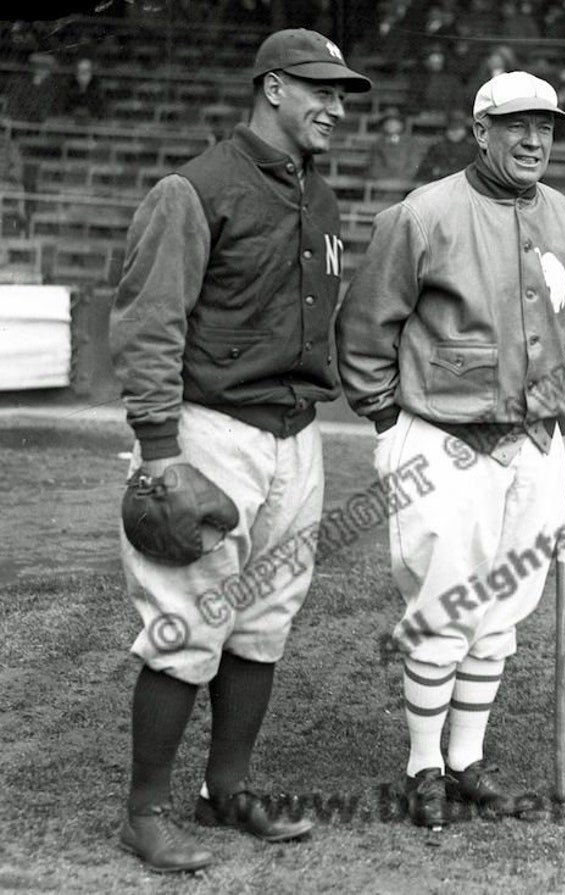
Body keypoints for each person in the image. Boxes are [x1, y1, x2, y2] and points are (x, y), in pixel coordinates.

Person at [109, 28, 370, 872]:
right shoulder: (196, 189)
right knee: (187, 619)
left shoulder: (320, 198)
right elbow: (149, 320)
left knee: (262, 622)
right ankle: (144, 810)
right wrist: (159, 451)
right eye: (320, 90)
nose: (336, 107)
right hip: (210, 429)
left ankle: (227, 786)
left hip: (296, 433)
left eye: (341, 94)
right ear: (271, 88)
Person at [336, 71, 565, 829]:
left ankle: (466, 758)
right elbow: (365, 331)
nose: (534, 139)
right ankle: (423, 763)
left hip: (535, 441)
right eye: (517, 124)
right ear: (480, 130)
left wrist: (562, 434)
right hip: (445, 439)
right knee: (444, 605)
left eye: (546, 126)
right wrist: (388, 427)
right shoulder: (423, 213)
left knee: (503, 613)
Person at [413, 109, 477, 182]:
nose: (455, 132)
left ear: (465, 131)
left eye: (459, 129)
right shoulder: (437, 148)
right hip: (440, 183)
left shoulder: (472, 149)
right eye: (452, 129)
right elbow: (424, 170)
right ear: (447, 130)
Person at [366, 106, 422, 183]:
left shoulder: (411, 143)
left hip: (405, 183)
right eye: (388, 122)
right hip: (382, 183)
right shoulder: (378, 144)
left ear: (401, 125)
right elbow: (375, 168)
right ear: (383, 125)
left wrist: (400, 179)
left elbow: (413, 167)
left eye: (395, 122)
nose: (391, 125)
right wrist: (386, 180)